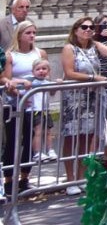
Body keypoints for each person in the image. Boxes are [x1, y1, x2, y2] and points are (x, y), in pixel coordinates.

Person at [60, 16, 107, 195]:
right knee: (71, 136)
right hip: (74, 98)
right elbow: (69, 72)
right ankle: (70, 180)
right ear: (76, 30)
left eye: (91, 28)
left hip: (92, 97)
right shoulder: (70, 48)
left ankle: (81, 177)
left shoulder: (94, 46)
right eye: (84, 27)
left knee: (87, 136)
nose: (88, 30)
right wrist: (94, 78)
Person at [2, 21, 47, 194]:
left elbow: (45, 73)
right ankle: (8, 181)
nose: (32, 36)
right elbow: (4, 78)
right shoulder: (10, 55)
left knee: (29, 143)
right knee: (12, 143)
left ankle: (25, 178)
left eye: (34, 32)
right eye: (28, 32)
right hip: (14, 105)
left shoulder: (40, 53)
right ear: (19, 34)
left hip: (34, 105)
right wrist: (16, 84)